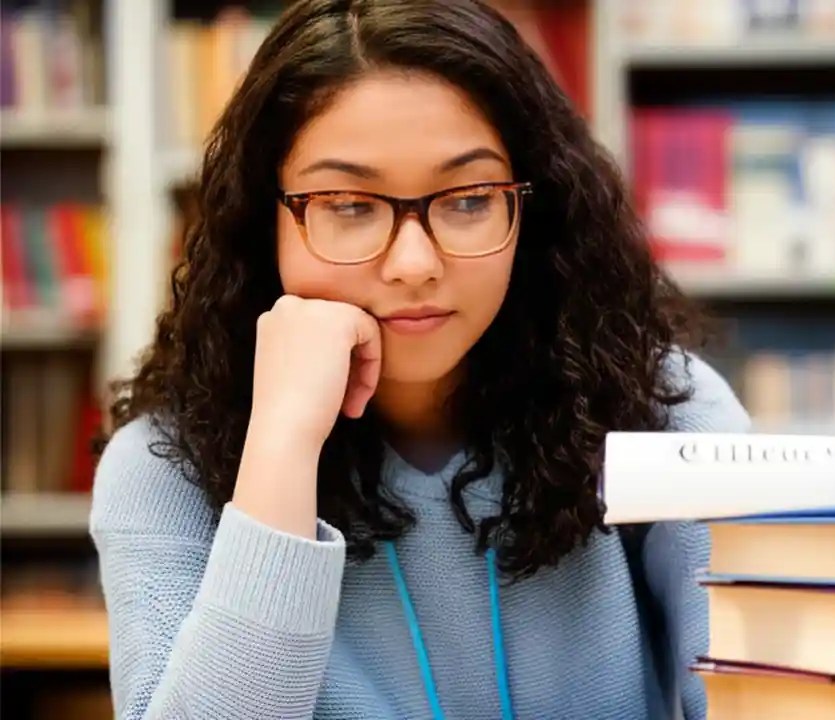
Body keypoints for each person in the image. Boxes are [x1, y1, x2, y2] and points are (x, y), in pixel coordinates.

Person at [90, 1, 749, 718]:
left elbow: (764, 690)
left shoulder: (662, 406)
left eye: (468, 200)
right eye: (348, 205)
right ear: (262, 222)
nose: (414, 263)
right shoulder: (165, 465)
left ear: (532, 210)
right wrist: (279, 445)